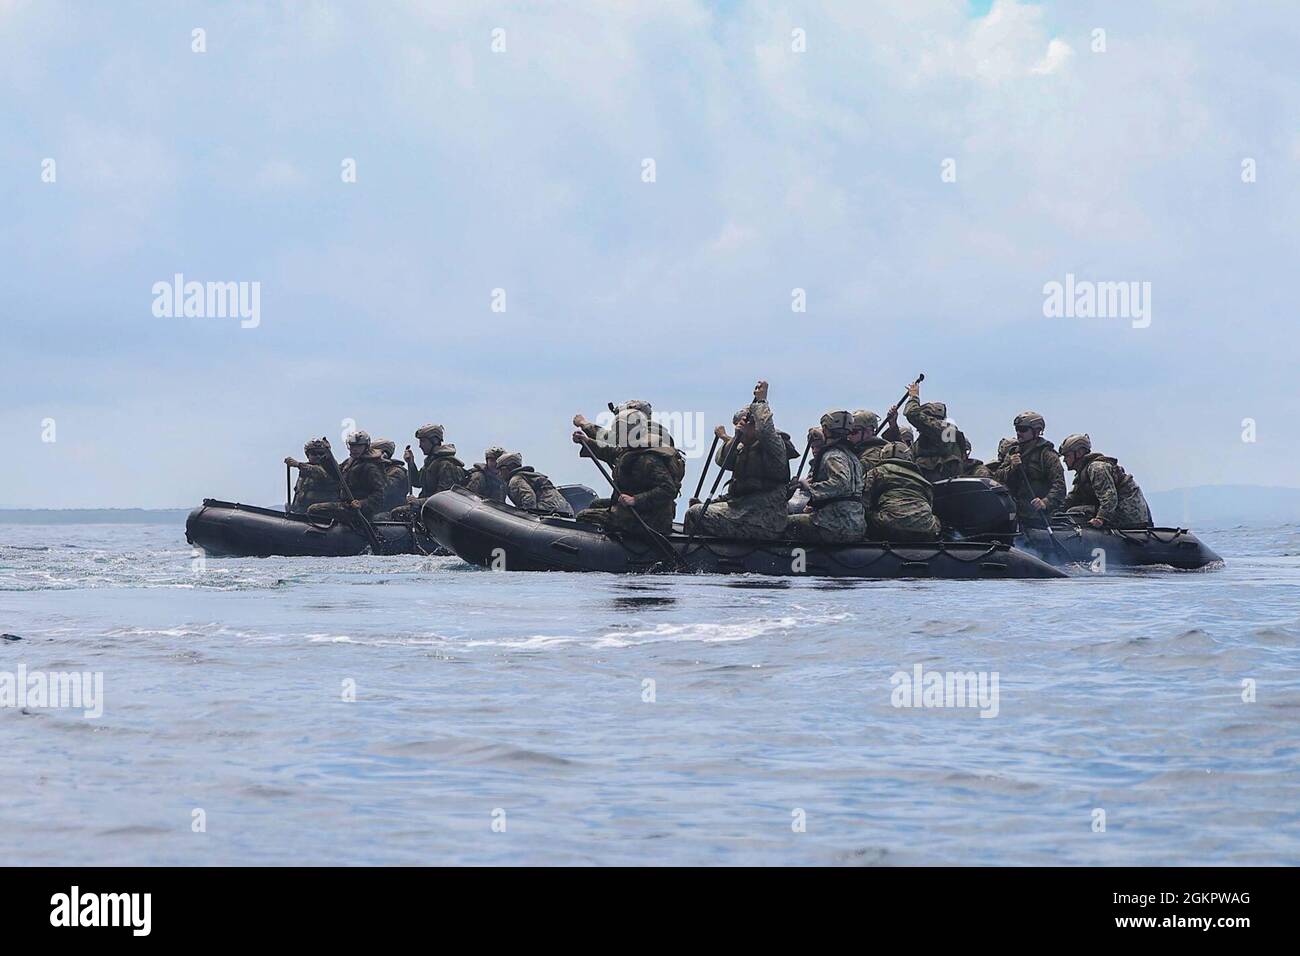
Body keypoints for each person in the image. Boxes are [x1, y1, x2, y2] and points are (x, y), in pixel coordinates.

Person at [684, 380, 790, 539]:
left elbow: (765, 431)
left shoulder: (772, 446)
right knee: (697, 509)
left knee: (695, 514)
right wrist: (736, 437)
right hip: (743, 510)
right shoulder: (742, 448)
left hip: (763, 518)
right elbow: (722, 461)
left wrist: (761, 401)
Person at [572, 407, 683, 536]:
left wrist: (635, 500)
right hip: (639, 511)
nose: (617, 436)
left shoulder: (648, 459)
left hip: (649, 519)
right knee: (596, 504)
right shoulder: (634, 449)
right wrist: (587, 442)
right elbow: (613, 454)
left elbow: (668, 490)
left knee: (583, 516)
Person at [784, 410, 865, 542]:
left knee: (783, 523)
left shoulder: (833, 455)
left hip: (834, 524)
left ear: (826, 430)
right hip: (856, 523)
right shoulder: (852, 457)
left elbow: (841, 483)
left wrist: (808, 487)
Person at [1060, 433, 1153, 528]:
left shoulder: (1097, 468)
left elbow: (1109, 497)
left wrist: (1100, 518)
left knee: (1074, 513)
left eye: (1067, 455)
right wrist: (1053, 509)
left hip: (1128, 514)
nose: (1064, 460)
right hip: (1121, 511)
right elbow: (1074, 497)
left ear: (1079, 453)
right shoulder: (1083, 474)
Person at [992, 411, 1066, 520]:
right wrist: (1012, 468)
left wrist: (1045, 502)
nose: (1018, 433)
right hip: (1014, 514)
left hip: (1038, 517)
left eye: (1023, 429)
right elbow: (997, 479)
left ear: (1036, 431)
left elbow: (1059, 485)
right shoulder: (1013, 452)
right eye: (1017, 429)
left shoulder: (1047, 455)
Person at [861, 444, 941, 542]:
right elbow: (930, 503)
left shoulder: (876, 471)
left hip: (888, 525)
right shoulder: (922, 479)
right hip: (927, 528)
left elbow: (863, 498)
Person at [389, 424, 467, 521]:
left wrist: (418, 502)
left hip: (438, 515)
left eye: (423, 441)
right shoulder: (431, 462)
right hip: (427, 508)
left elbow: (443, 498)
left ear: (434, 441)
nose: (420, 445)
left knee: (397, 513)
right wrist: (411, 463)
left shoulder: (446, 465)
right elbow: (417, 482)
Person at [306, 431, 387, 520]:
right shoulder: (350, 462)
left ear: (366, 446)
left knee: (314, 509)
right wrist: (328, 457)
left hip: (359, 510)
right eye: (352, 445)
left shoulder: (371, 467)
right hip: (346, 504)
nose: (355, 449)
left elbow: (379, 494)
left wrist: (362, 503)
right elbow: (337, 475)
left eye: (359, 446)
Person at [899, 382, 969, 481]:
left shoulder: (943, 430)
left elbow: (912, 413)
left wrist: (914, 397)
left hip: (943, 488)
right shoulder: (922, 442)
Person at [574, 398, 676, 451]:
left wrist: (584, 424)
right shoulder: (658, 433)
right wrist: (587, 440)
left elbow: (608, 439)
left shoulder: (640, 436)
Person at [497, 451, 574, 516]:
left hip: (547, 511)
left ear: (508, 468)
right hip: (565, 510)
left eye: (501, 469)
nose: (499, 473)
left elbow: (528, 497)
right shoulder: (531, 476)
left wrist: (527, 516)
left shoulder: (516, 480)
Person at [284, 438, 339, 512]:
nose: (318, 456)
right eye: (314, 453)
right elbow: (299, 493)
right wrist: (293, 508)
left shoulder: (331, 468)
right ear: (308, 455)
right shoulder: (304, 470)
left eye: (321, 453)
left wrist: (298, 465)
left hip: (322, 515)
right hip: (303, 513)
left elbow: (321, 473)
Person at [371, 438, 412, 511]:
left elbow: (387, 491)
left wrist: (381, 465)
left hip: (392, 513)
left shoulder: (397, 472)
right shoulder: (377, 471)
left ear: (384, 454)